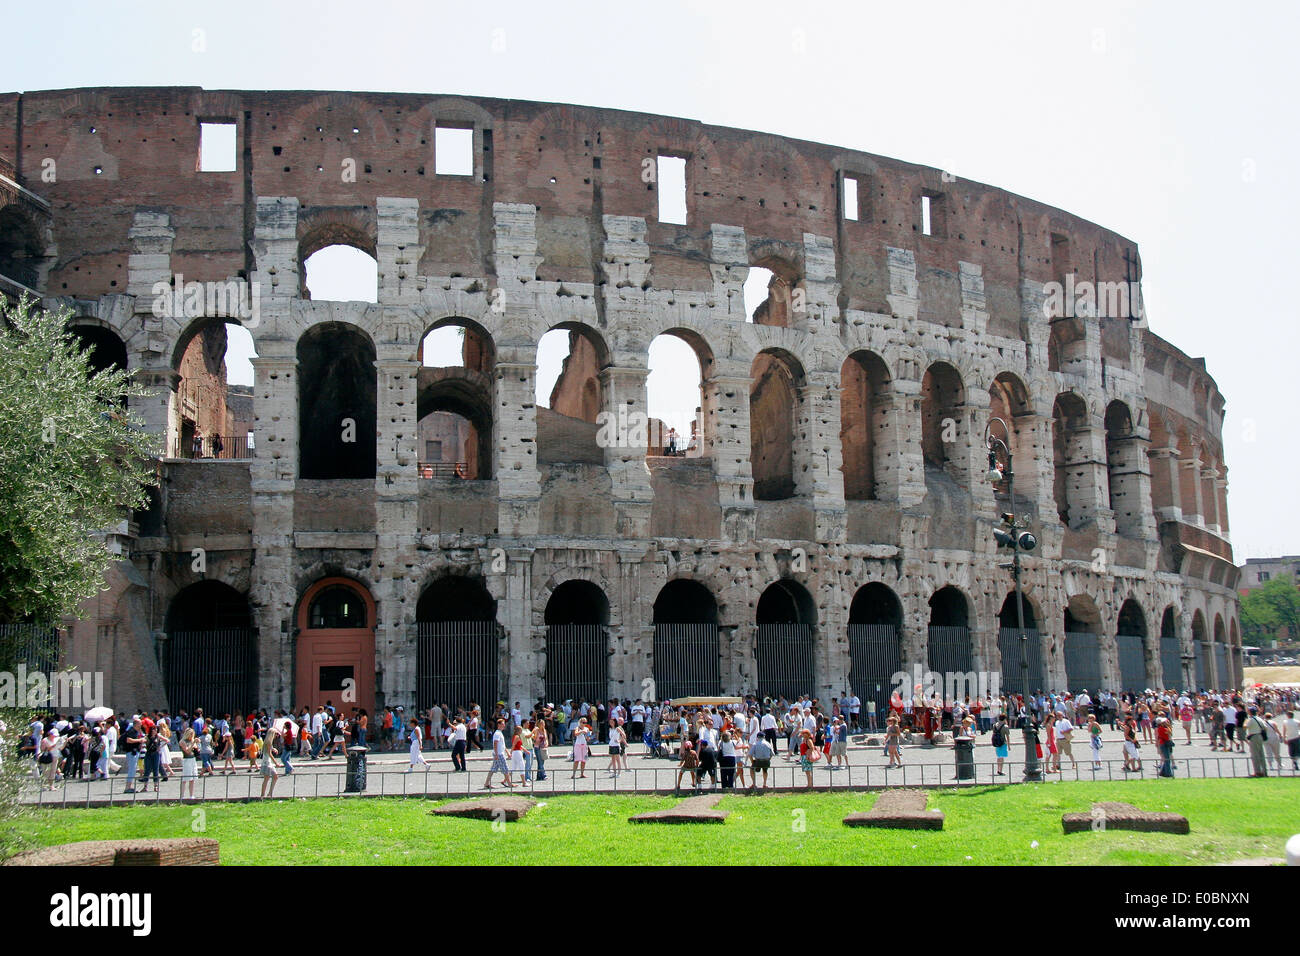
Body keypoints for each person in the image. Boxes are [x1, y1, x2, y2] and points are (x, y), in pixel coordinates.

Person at [1242, 707, 1270, 777]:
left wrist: (1245, 721)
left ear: (1250, 712)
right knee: (1261, 754)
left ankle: (1257, 772)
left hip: (1254, 736)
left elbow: (1245, 727)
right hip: (1260, 736)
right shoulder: (1259, 718)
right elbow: (1265, 727)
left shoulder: (1251, 719)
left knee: (1255, 755)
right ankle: (1264, 771)